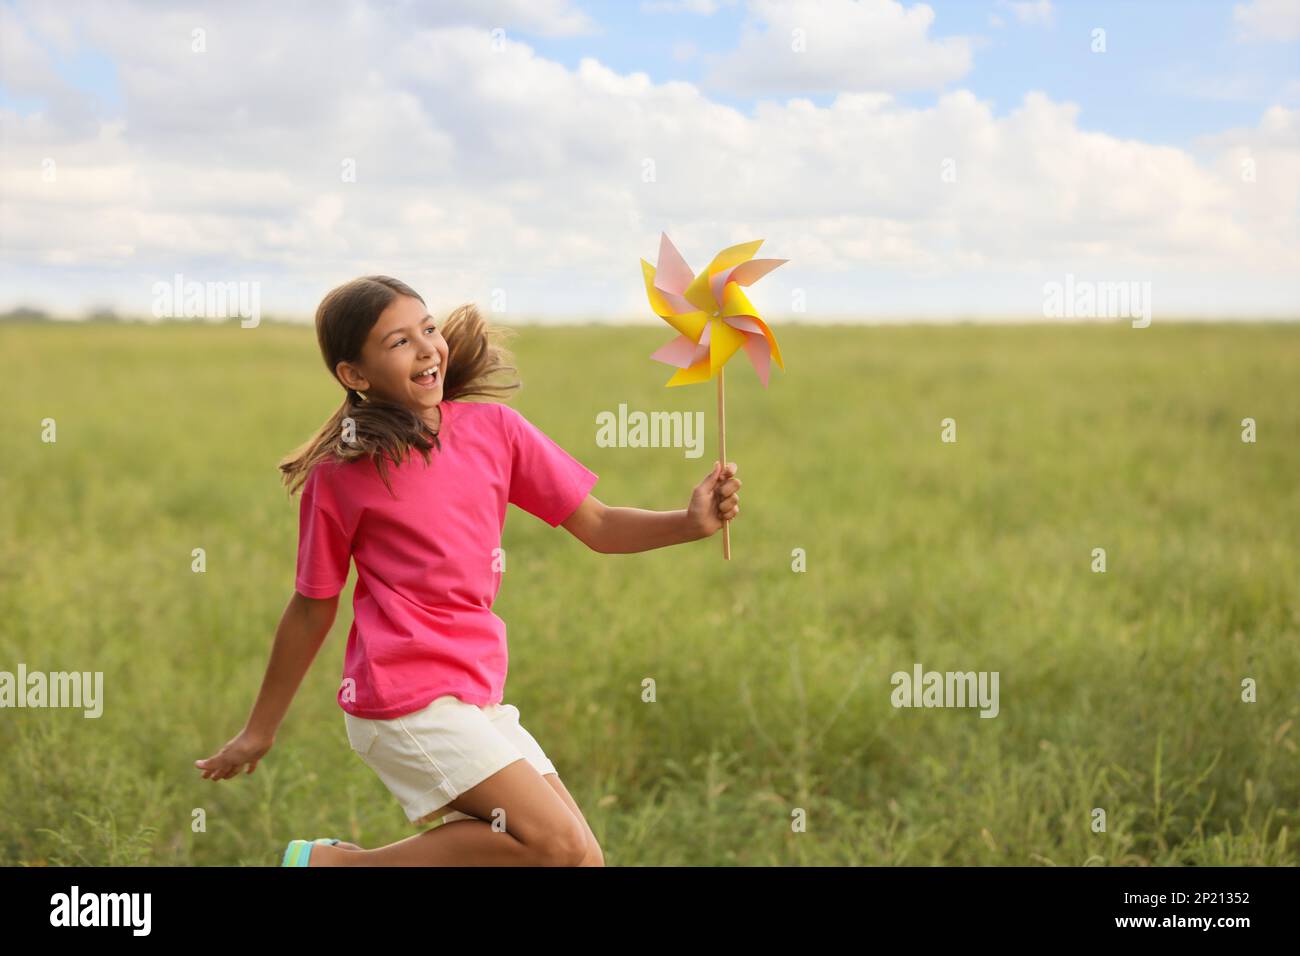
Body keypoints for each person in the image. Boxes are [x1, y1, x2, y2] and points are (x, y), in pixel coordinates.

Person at [193, 275, 741, 866]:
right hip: (403, 700)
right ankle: (337, 866)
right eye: (398, 341)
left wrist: (688, 523)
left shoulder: (494, 431)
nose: (428, 348)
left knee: (582, 862)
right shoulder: (341, 475)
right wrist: (259, 729)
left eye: (427, 329)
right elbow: (312, 605)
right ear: (354, 374)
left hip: (474, 690)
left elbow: (600, 527)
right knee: (553, 846)